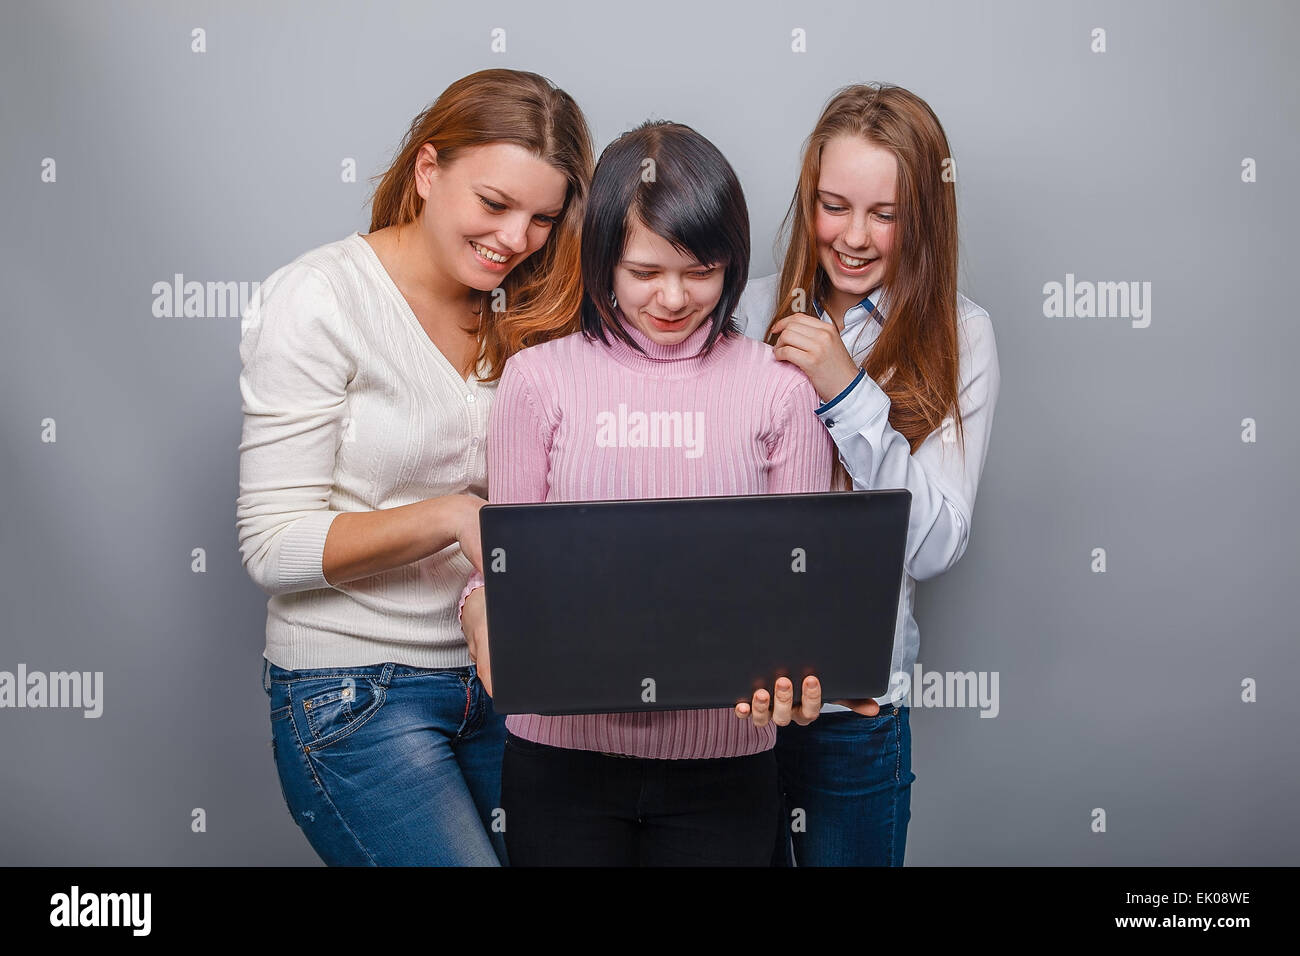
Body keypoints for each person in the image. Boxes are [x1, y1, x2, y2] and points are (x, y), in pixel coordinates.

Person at [236, 69, 594, 865]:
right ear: (428, 171)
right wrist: (450, 515)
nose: (515, 238)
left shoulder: (535, 305)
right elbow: (272, 546)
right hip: (355, 689)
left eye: (542, 217)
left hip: (510, 679)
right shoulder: (318, 299)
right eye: (494, 204)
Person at [458, 120, 831, 866]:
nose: (671, 298)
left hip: (726, 769)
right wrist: (481, 615)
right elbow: (501, 563)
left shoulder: (778, 390)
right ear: (602, 259)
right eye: (644, 271)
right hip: (559, 762)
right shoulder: (539, 380)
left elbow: (804, 582)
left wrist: (806, 668)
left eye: (701, 272)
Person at [734, 83, 1001, 866]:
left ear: (924, 216)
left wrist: (849, 392)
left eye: (884, 214)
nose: (853, 237)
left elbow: (933, 546)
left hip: (857, 715)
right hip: (731, 705)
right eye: (833, 205)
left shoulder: (962, 334)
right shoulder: (743, 316)